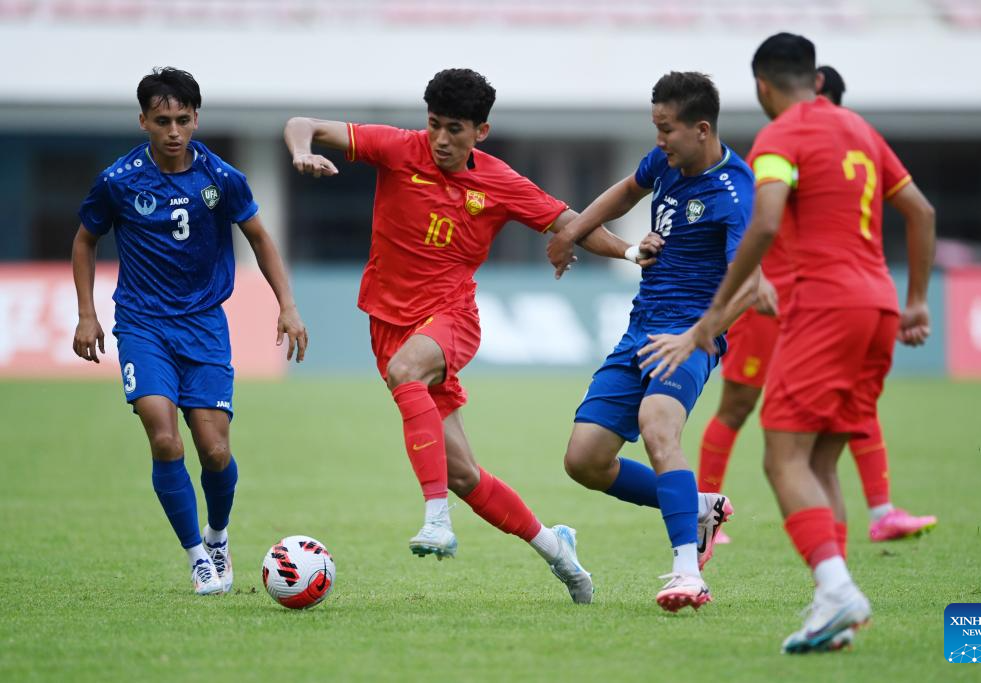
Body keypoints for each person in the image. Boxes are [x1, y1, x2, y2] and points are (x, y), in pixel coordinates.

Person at [283, 68, 647, 604]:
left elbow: (570, 222)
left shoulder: (499, 181)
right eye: (434, 126)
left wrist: (631, 253)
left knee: (406, 371)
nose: (442, 140)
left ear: (482, 131)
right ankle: (557, 549)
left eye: (455, 129)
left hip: (450, 317)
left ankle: (435, 520)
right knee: (462, 473)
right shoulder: (398, 149)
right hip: (386, 322)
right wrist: (299, 152)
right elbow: (302, 123)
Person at [689, 34, 936, 652]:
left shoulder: (780, 136)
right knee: (822, 459)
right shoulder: (859, 129)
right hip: (878, 306)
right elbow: (922, 212)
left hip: (824, 308)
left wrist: (721, 304)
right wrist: (918, 300)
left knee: (782, 457)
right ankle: (836, 605)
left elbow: (767, 219)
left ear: (762, 87)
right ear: (816, 80)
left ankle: (836, 590)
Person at [72, 67, 308, 595]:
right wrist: (87, 314)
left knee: (216, 451)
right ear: (144, 121)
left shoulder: (221, 178)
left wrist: (287, 305)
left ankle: (218, 535)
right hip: (142, 324)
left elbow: (261, 239)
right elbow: (85, 240)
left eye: (182, 119)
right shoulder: (118, 180)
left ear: (196, 118)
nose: (174, 130)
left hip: (204, 325)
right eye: (162, 120)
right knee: (162, 435)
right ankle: (197, 556)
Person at [546, 71, 759, 613]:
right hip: (640, 328)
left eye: (666, 129)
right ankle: (700, 508)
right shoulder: (665, 162)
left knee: (658, 426)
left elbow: (749, 285)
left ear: (702, 129)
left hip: (689, 334)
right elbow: (623, 194)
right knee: (585, 460)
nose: (659, 140)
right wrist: (570, 233)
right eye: (655, 128)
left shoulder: (736, 192)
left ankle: (688, 571)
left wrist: (697, 336)